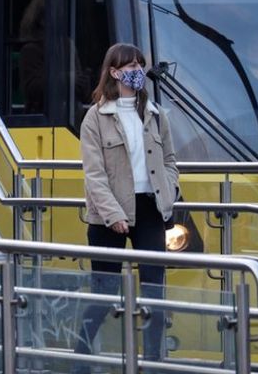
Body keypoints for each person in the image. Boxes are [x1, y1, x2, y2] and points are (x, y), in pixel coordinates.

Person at [74, 42, 178, 373]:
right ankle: (79, 358)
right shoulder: (95, 117)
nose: (137, 71)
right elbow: (94, 174)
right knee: (103, 293)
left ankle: (152, 362)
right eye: (129, 66)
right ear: (114, 72)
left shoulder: (155, 113)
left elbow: (171, 161)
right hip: (109, 215)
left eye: (140, 65)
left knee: (154, 293)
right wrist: (113, 213)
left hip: (150, 210)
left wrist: (169, 192)